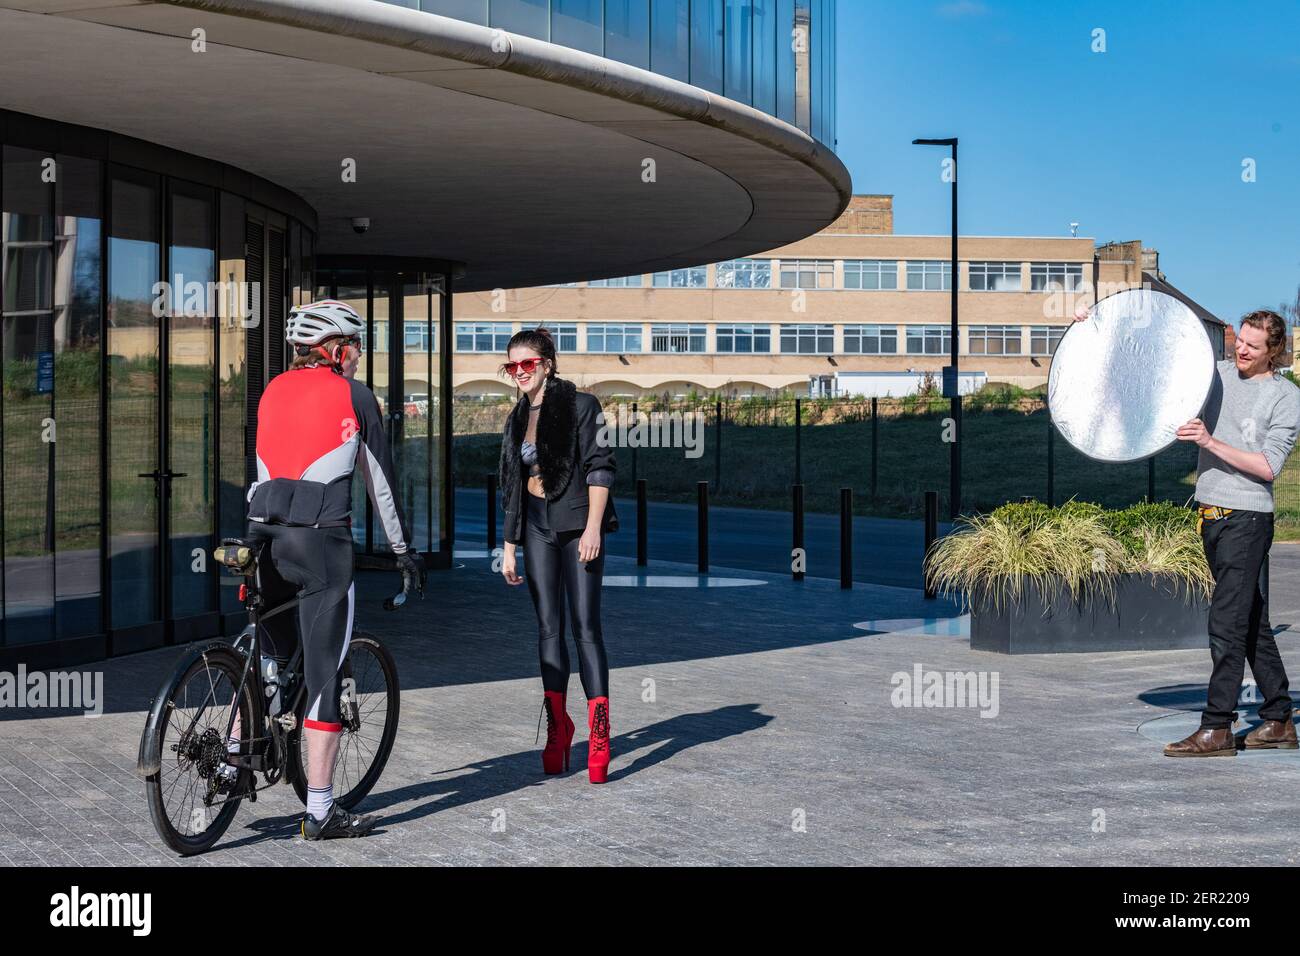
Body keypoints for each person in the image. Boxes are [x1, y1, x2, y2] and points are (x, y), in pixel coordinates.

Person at [244, 299, 425, 835]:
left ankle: (237, 743)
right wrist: (402, 551)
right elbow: (381, 484)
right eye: (357, 350)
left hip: (261, 536)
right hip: (320, 545)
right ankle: (320, 810)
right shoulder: (356, 396)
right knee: (324, 671)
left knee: (269, 654)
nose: (358, 359)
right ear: (340, 351)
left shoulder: (272, 390)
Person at [1163, 310, 1300, 756]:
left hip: (1248, 519)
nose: (1241, 349)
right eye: (1239, 340)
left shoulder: (1284, 397)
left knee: (1226, 622)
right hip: (1211, 516)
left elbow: (1266, 467)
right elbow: (1155, 370)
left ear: (1273, 352)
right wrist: (1093, 326)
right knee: (1253, 623)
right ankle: (1279, 719)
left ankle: (1217, 727)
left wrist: (1209, 442)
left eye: (1253, 346)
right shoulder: (1215, 375)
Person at [496, 327, 619, 783]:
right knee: (549, 628)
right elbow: (511, 485)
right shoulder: (516, 417)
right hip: (535, 527)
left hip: (576, 526)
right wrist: (509, 547)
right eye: (512, 366)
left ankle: (599, 731)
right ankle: (558, 727)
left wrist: (593, 529)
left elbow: (601, 466)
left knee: (586, 627)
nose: (519, 373)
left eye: (527, 363)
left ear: (547, 363)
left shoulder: (583, 406)